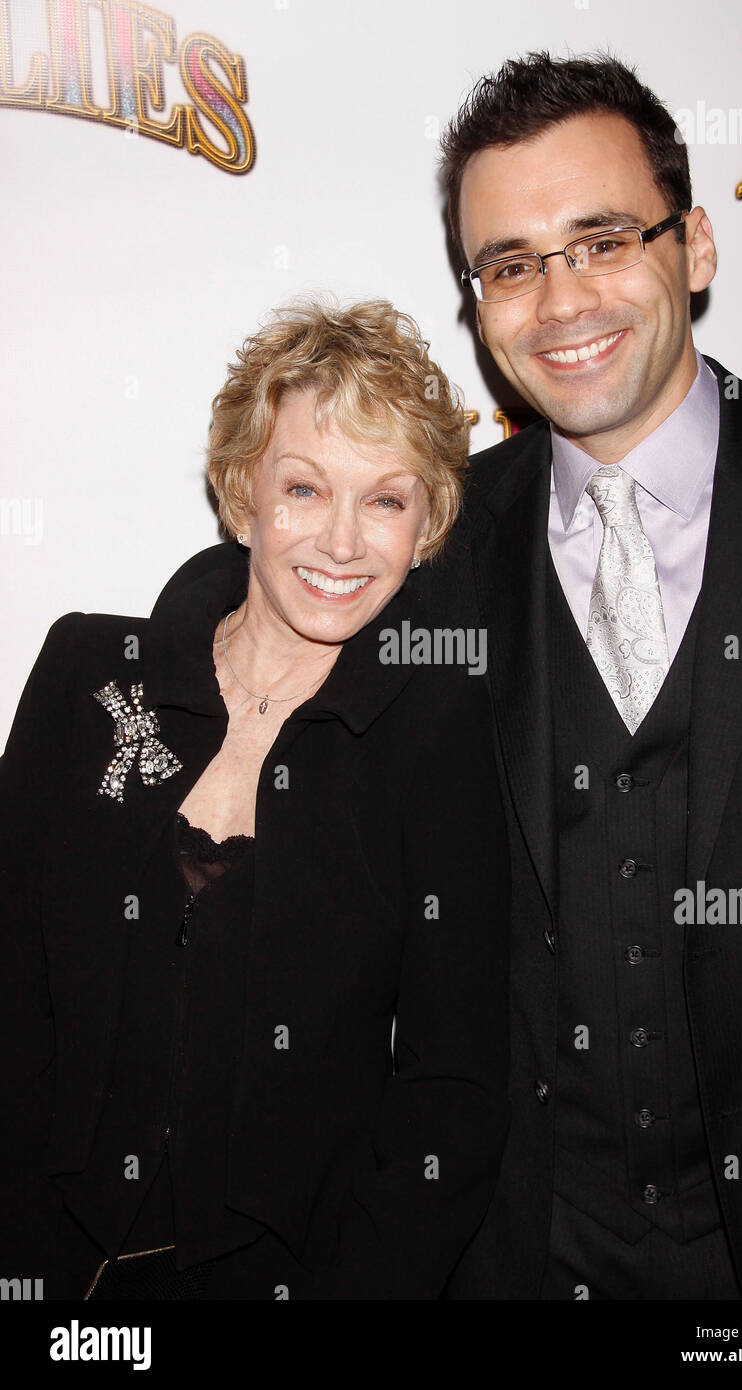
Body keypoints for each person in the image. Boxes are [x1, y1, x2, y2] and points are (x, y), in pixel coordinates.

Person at [429, 51, 742, 1300]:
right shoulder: (434, 547)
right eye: (509, 264)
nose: (558, 299)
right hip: (520, 1255)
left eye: (601, 238)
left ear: (696, 248)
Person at [0, 298, 510, 1300]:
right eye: (304, 487)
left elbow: (454, 1090)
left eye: (386, 500)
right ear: (243, 497)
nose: (340, 541)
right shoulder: (93, 673)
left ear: (427, 524)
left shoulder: (434, 749)